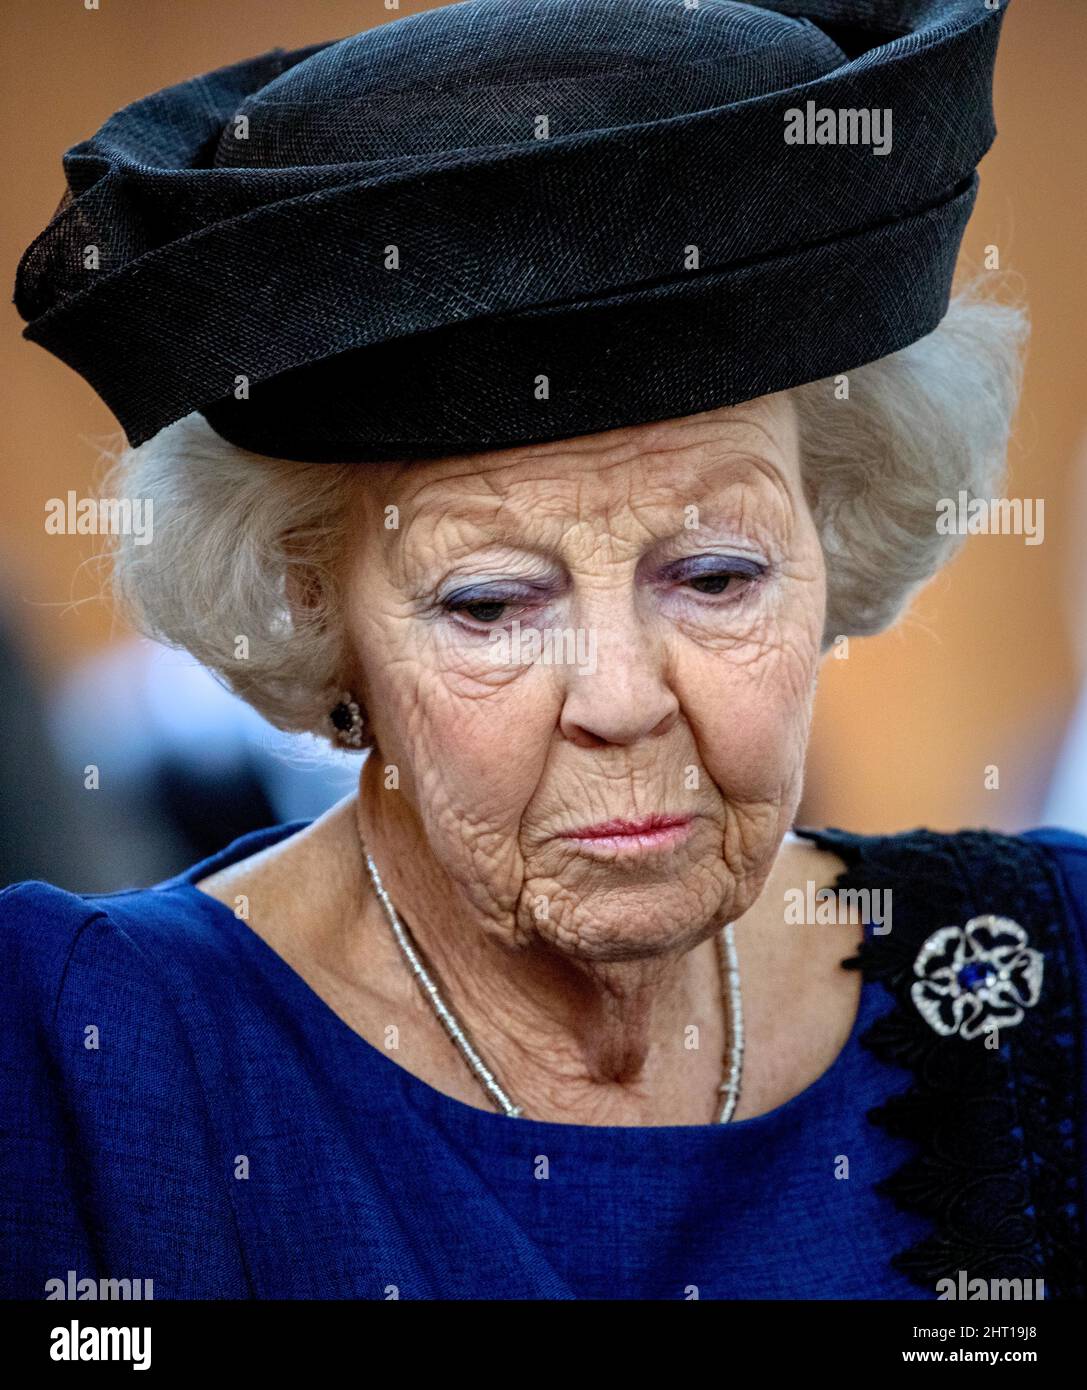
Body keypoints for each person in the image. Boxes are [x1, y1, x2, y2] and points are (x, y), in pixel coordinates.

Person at [5, 0, 1084, 1300]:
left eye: (717, 574)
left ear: (838, 532)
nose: (623, 699)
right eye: (491, 604)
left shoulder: (1043, 972)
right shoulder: (85, 1054)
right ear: (313, 603)